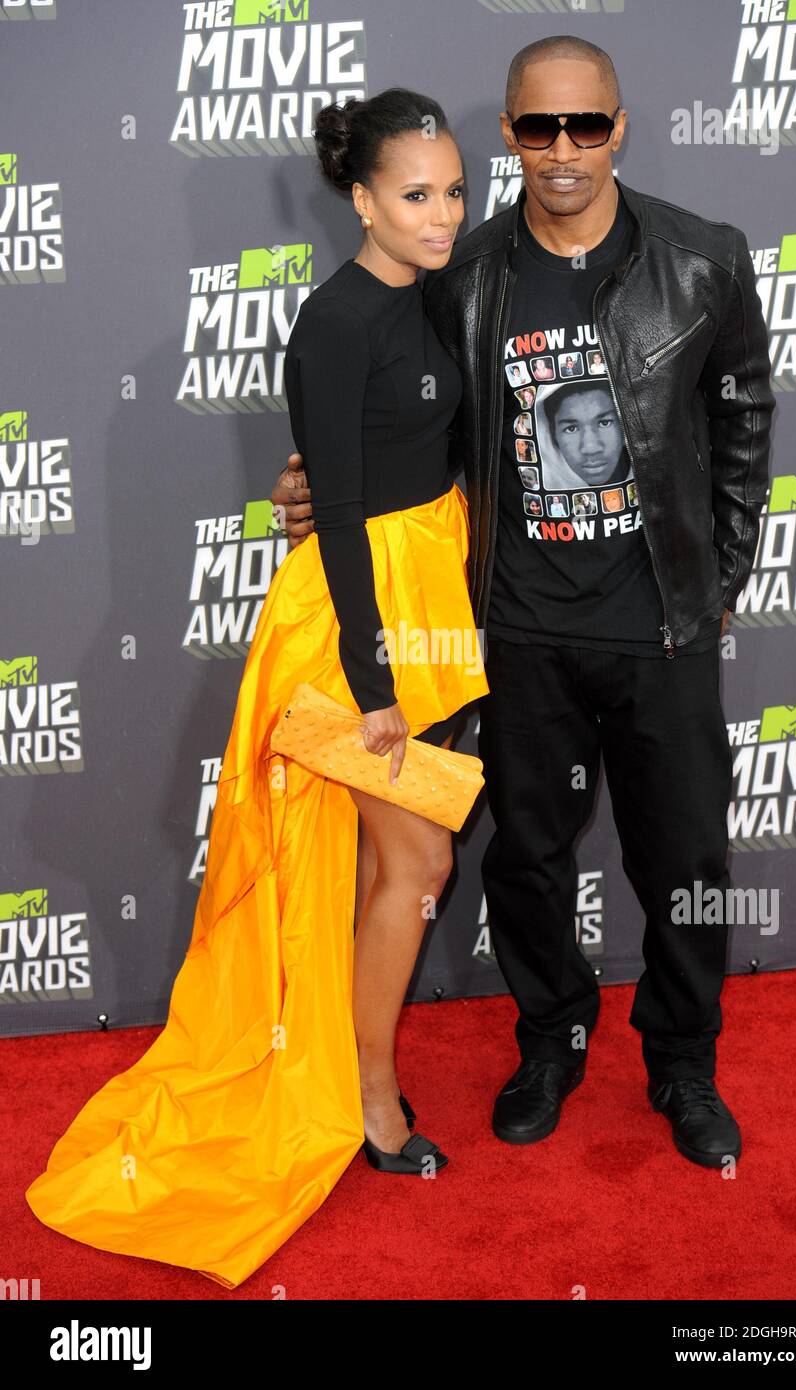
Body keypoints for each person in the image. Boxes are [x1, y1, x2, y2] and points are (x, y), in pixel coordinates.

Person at [272, 36, 776, 1170]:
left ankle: (681, 1060)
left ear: (617, 126)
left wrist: (721, 570)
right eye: (537, 128)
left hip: (657, 629)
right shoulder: (464, 272)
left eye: (584, 126)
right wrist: (313, 483)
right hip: (519, 630)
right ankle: (548, 1038)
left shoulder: (699, 260)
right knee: (528, 859)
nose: (561, 151)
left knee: (685, 862)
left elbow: (742, 415)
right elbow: (410, 423)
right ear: (507, 133)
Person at [25, 88, 488, 1289]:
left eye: (450, 191)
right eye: (414, 195)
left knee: (400, 864)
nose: (441, 214)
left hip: (431, 592)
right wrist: (378, 682)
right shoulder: (333, 322)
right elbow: (331, 509)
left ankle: (350, 1068)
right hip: (349, 626)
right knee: (421, 865)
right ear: (359, 199)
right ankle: (369, 1094)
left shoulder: (441, 285)